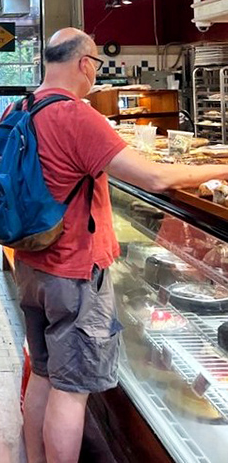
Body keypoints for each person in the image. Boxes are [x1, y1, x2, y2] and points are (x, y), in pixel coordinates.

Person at [17, 28, 228, 463]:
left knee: (42, 372)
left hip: (31, 264)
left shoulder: (20, 108)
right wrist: (218, 169)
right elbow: (156, 178)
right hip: (74, 269)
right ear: (85, 63)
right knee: (72, 391)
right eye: (94, 64)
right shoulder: (77, 115)